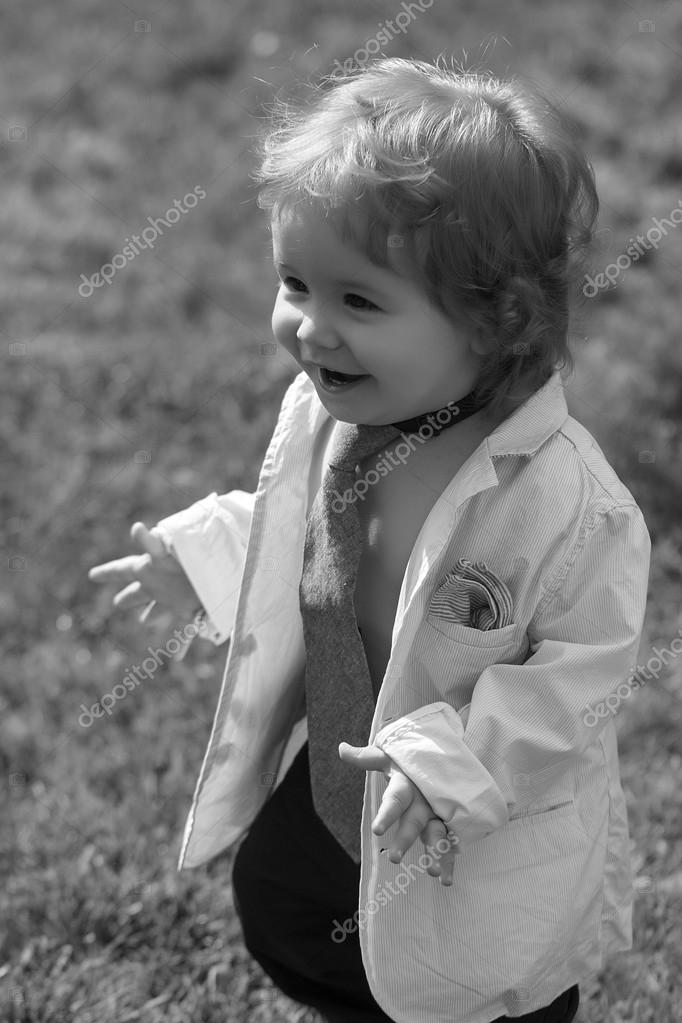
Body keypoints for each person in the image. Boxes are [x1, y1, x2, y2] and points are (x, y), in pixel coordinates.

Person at [89, 57, 651, 1023]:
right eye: (295, 282)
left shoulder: (568, 504)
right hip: (345, 773)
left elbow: (583, 676)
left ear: (498, 320)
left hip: (478, 815)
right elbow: (310, 525)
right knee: (283, 894)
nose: (310, 329)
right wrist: (206, 552)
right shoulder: (334, 415)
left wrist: (458, 762)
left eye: (359, 302)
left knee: (480, 983)